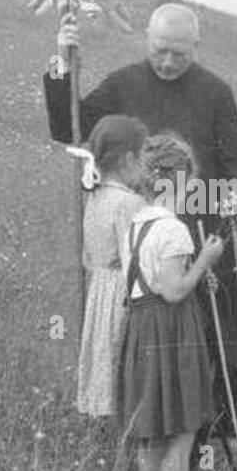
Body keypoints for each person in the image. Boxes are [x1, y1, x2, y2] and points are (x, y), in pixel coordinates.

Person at [43, 2, 237, 461]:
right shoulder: (123, 84)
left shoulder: (215, 93)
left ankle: (207, 447)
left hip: (202, 232)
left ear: (196, 48)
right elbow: (70, 128)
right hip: (142, 240)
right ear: (147, 40)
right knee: (149, 343)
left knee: (211, 344)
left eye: (179, 55)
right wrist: (62, 64)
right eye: (161, 51)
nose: (168, 62)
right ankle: (143, 442)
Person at [116, 134, 225, 471]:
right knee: (180, 431)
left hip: (141, 331)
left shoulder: (137, 226)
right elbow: (174, 290)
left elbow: (154, 280)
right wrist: (205, 261)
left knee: (151, 434)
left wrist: (194, 275)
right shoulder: (173, 228)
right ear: (175, 182)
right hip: (171, 332)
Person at [75, 115, 148, 420]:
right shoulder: (129, 203)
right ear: (129, 158)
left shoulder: (96, 194)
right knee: (125, 366)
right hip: (123, 297)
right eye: (144, 156)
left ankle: (105, 428)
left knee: (105, 359)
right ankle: (127, 437)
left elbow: (88, 257)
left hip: (101, 291)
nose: (146, 164)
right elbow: (137, 265)